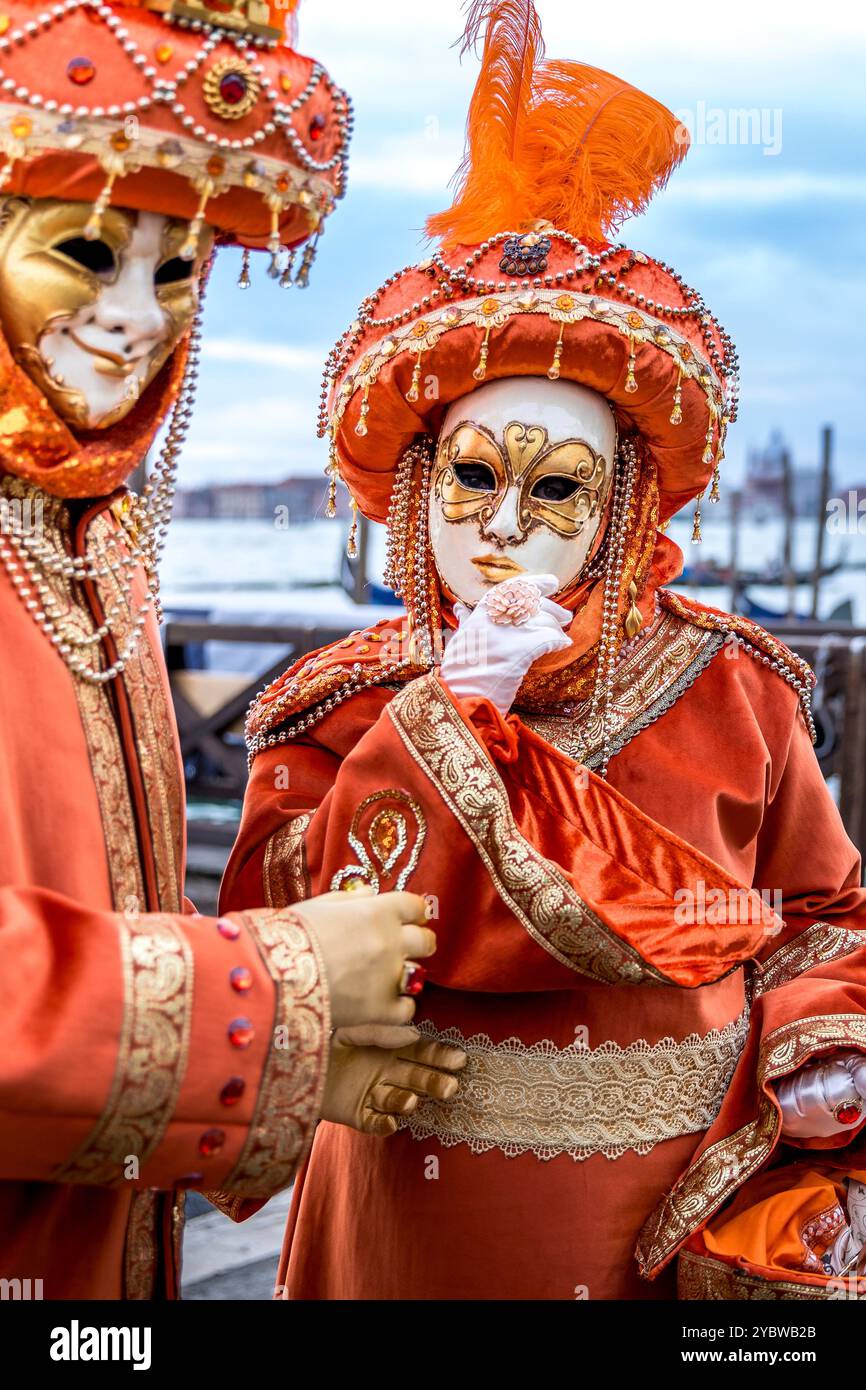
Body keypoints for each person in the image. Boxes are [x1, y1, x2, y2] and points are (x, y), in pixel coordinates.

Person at [222, 0, 866, 1300]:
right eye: (470, 473)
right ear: (412, 485)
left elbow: (817, 912)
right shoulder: (339, 708)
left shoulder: (734, 690)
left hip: (657, 1213)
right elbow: (279, 948)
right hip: (410, 1222)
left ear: (622, 503)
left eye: (558, 487)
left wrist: (814, 1044)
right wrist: (440, 722)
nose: (507, 524)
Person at [0, 0, 464, 1301]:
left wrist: (280, 1054)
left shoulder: (87, 542)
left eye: (179, 269)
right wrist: (279, 999)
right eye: (83, 250)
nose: (136, 321)